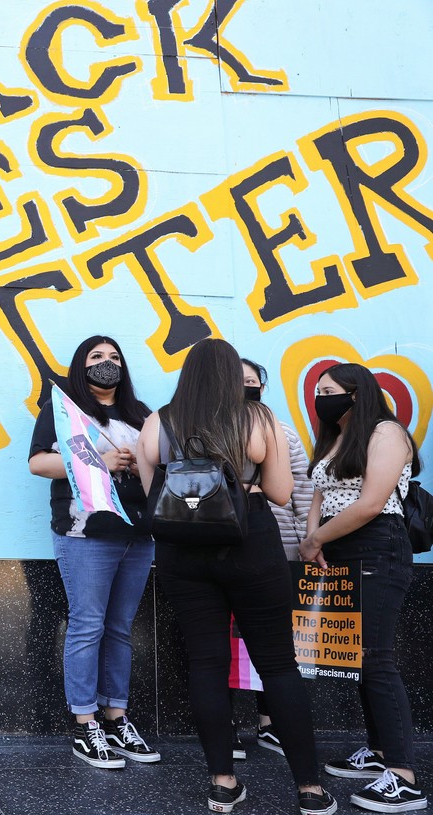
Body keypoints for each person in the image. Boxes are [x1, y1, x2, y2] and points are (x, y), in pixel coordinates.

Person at [137, 338, 334, 815]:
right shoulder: (258, 419)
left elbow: (153, 496)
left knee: (207, 662)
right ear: (232, 375)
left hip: (183, 553)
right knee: (278, 665)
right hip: (250, 546)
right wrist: (243, 481)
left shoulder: (158, 422)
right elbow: (283, 492)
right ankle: (309, 789)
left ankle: (223, 783)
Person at [28, 336, 159, 769]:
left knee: (120, 628)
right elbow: (38, 463)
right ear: (79, 367)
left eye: (115, 357)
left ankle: (116, 716)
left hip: (138, 534)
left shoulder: (142, 415)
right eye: (97, 358)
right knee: (88, 625)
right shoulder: (64, 412)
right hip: (84, 533)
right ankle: (86, 724)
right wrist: (102, 460)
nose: (107, 364)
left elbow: (161, 471)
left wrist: (139, 463)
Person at [300, 362, 425, 813]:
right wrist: (312, 540)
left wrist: (317, 539)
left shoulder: (387, 432)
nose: (320, 397)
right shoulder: (335, 439)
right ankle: (376, 752)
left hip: (377, 547)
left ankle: (404, 775)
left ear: (357, 393)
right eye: (317, 390)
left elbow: (372, 503)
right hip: (338, 550)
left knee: (376, 655)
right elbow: (319, 494)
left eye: (329, 389)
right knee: (357, 654)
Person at [238, 358, 314, 759]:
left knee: (273, 641)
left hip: (280, 547)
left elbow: (301, 489)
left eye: (252, 382)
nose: (246, 387)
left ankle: (269, 722)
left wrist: (309, 539)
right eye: (238, 381)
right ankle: (231, 725)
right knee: (227, 639)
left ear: (262, 389)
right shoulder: (210, 429)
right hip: (230, 546)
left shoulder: (282, 432)